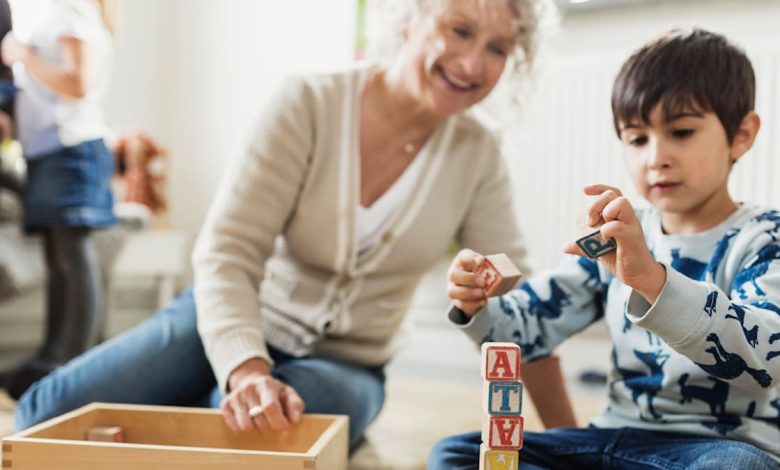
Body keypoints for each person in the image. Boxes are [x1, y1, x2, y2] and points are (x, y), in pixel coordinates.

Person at [14, 0, 577, 449]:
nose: (473, 64)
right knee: (46, 414)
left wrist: (569, 441)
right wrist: (246, 370)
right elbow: (228, 252)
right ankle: (206, 391)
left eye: (498, 48)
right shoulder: (308, 102)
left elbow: (519, 306)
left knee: (252, 435)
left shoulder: (479, 156)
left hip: (346, 365)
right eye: (459, 30)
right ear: (411, 16)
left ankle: (199, 404)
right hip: (233, 318)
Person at [429, 27, 780, 469]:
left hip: (713, 449)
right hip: (612, 438)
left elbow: (767, 362)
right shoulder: (620, 236)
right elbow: (521, 332)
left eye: (682, 131)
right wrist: (474, 304)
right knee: (455, 453)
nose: (656, 157)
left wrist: (651, 280)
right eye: (637, 138)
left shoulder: (765, 238)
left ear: (742, 135)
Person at [0, 0, 117, 398]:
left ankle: (74, 362)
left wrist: (22, 55)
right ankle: (52, 355)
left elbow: (76, 81)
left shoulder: (70, 9)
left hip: (72, 149)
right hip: (49, 151)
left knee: (72, 256)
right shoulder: (54, 13)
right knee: (57, 260)